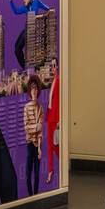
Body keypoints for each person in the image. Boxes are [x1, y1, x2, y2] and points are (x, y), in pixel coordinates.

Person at [8, 0, 51, 69]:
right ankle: (25, 65)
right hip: (27, 29)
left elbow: (47, 8)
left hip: (32, 31)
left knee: (17, 49)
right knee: (16, 47)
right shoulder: (25, 7)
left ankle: (26, 66)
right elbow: (16, 11)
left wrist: (47, 14)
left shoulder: (36, 1)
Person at [23, 74, 44, 196]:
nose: (34, 91)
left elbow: (41, 131)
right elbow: (26, 128)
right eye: (32, 88)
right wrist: (35, 127)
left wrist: (40, 148)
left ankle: (35, 196)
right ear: (29, 91)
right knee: (27, 174)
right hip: (29, 144)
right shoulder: (26, 108)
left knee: (37, 174)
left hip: (38, 146)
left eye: (35, 88)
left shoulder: (40, 108)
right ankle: (30, 196)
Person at [45, 56, 60, 185]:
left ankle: (62, 163)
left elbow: (60, 101)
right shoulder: (53, 81)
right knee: (49, 146)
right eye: (51, 66)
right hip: (50, 117)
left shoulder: (59, 81)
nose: (53, 68)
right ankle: (50, 170)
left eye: (54, 66)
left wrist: (60, 120)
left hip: (56, 118)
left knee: (55, 146)